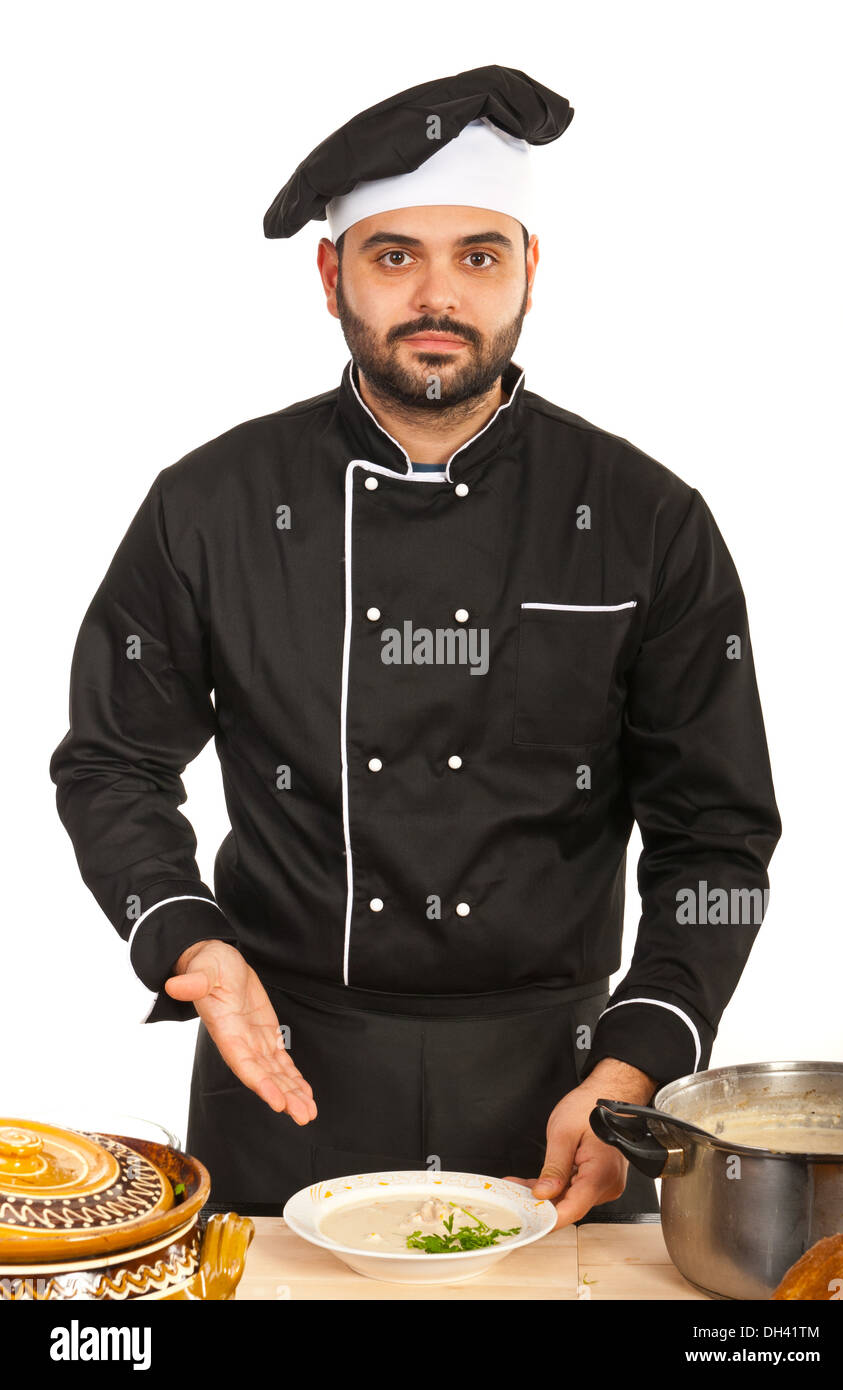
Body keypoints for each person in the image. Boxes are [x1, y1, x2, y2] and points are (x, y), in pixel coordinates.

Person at [49, 65, 781, 1224]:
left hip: (566, 1086)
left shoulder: (646, 517)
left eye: (479, 255)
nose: (439, 294)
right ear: (332, 274)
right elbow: (111, 761)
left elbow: (719, 841)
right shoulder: (213, 504)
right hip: (280, 1072)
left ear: (531, 271)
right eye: (395, 256)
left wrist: (636, 1061)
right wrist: (188, 938)